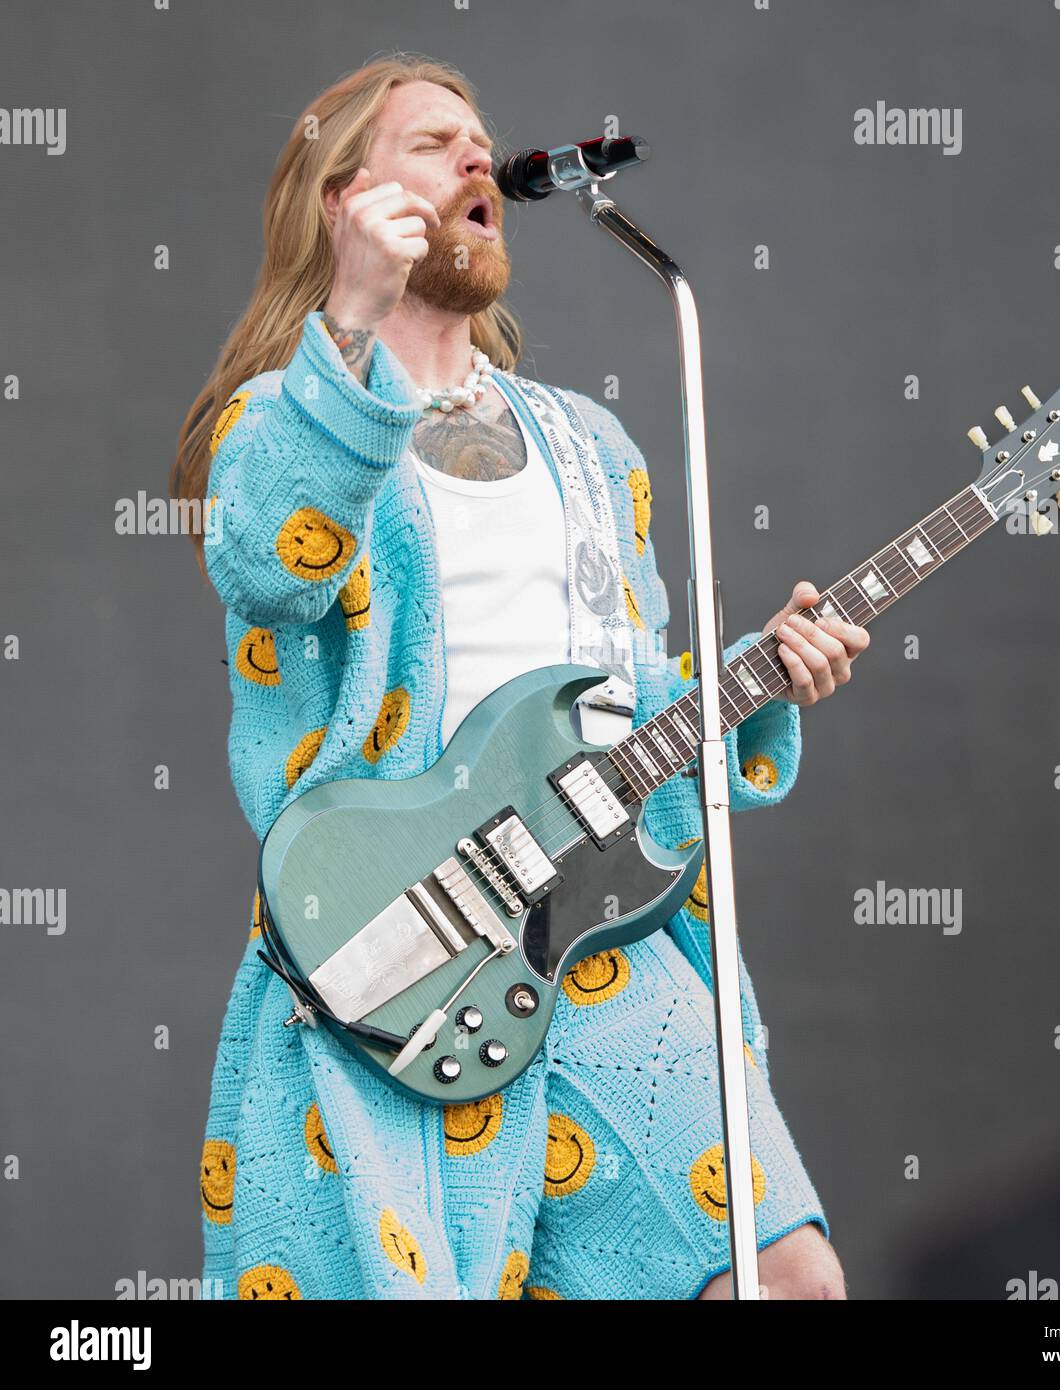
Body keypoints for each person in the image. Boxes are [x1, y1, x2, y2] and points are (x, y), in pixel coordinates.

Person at [174, 52, 867, 1301]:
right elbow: (273, 566)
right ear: (345, 200)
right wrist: (349, 315)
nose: (476, 158)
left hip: (594, 930)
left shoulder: (589, 445)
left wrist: (751, 683)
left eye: (480, 143)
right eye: (433, 143)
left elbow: (625, 708)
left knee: (784, 1278)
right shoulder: (280, 417)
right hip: (396, 949)